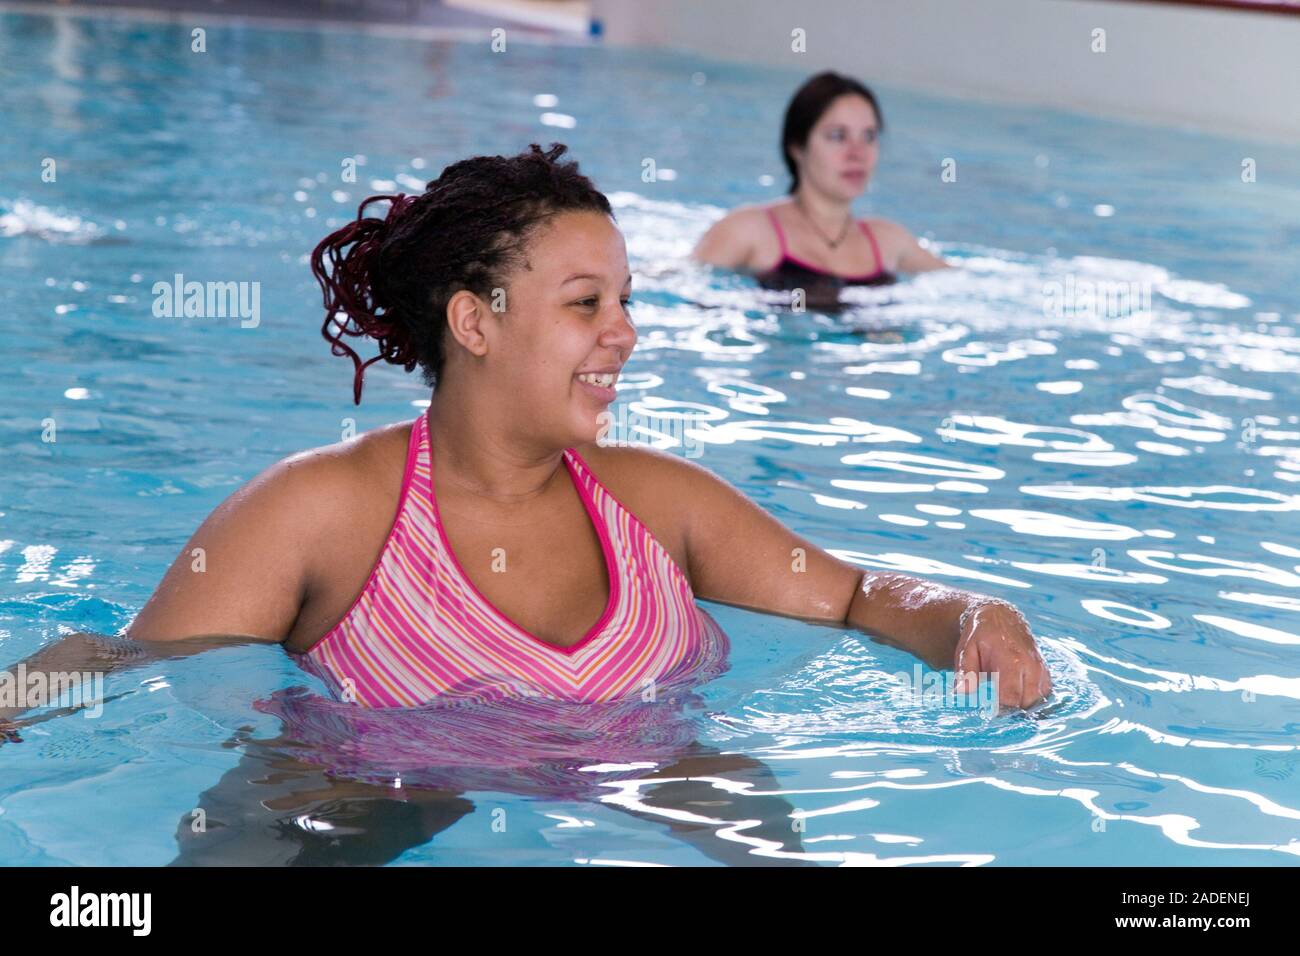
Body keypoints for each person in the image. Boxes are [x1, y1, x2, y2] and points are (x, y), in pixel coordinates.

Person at [0, 144, 1050, 862]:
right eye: (586, 303)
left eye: (627, 301)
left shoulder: (660, 504)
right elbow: (120, 661)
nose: (625, 332)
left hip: (652, 777)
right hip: (375, 791)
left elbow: (859, 593)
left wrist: (973, 615)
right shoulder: (324, 509)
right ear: (476, 320)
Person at [694, 71, 949, 302]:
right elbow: (682, 286)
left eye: (869, 136)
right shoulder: (750, 231)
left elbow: (974, 288)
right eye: (838, 136)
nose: (857, 153)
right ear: (797, 147)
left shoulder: (888, 242)